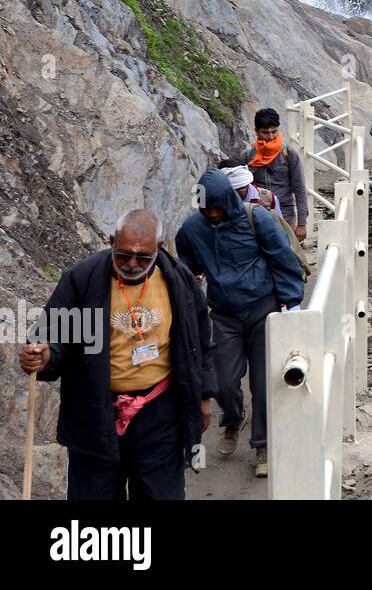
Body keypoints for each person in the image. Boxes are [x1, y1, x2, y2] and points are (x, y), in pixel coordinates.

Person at [19, 209, 215, 500]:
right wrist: (45, 356)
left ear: (159, 248)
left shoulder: (179, 280)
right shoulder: (83, 279)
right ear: (110, 241)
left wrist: (203, 396)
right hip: (96, 413)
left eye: (143, 257)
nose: (132, 264)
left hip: (160, 413)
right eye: (123, 254)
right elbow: (54, 336)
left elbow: (199, 340)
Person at [175, 170, 304, 478]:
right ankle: (232, 419)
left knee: (263, 381)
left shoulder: (256, 218)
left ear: (227, 200)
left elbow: (282, 259)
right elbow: (185, 261)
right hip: (223, 314)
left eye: (218, 207)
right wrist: (189, 276)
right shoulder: (193, 229)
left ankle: (263, 446)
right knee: (223, 380)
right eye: (207, 209)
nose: (214, 214)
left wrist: (292, 304)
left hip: (263, 309)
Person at [245, 108, 307, 242]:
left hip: (285, 216)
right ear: (256, 131)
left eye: (274, 131)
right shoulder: (249, 156)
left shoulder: (288, 154)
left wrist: (302, 223)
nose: (270, 136)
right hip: (258, 215)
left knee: (288, 256)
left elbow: (300, 188)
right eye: (265, 132)